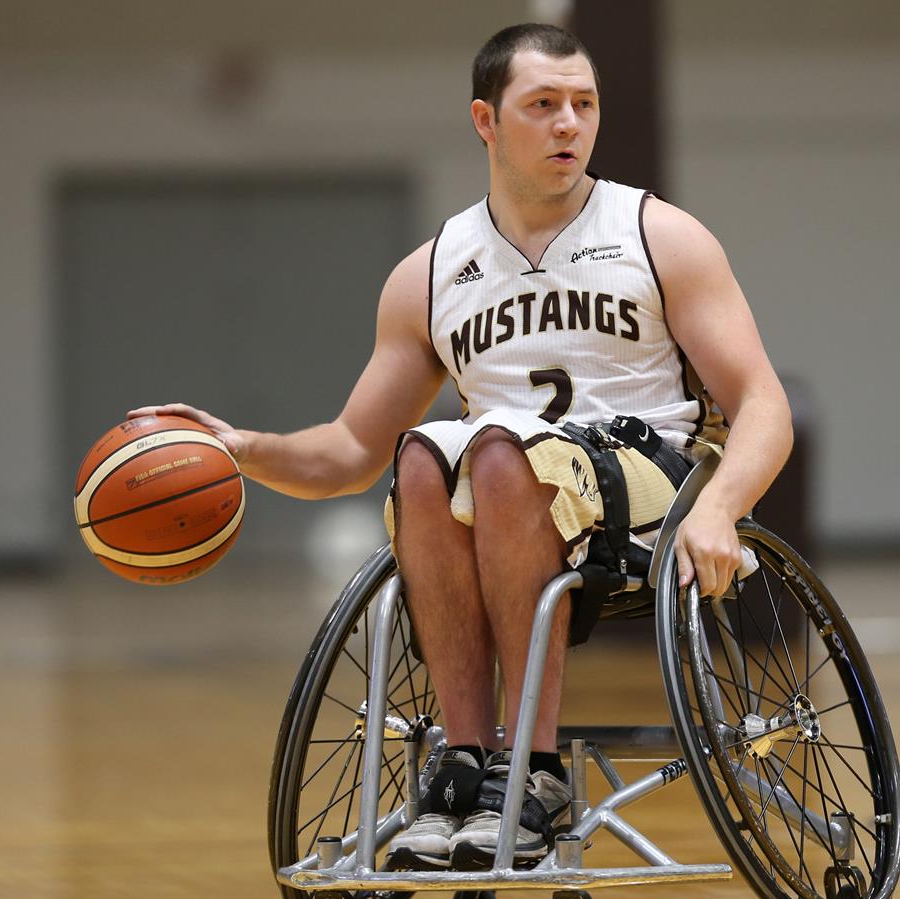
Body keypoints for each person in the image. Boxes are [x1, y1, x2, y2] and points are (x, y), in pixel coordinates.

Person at [130, 23, 792, 870]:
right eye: (542, 105)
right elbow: (348, 450)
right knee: (418, 455)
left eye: (583, 104)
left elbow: (762, 401)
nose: (568, 125)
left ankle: (535, 769)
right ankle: (465, 762)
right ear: (485, 120)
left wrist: (726, 507)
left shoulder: (660, 236)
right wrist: (242, 448)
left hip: (648, 480)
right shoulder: (432, 272)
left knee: (495, 454)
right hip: (502, 484)